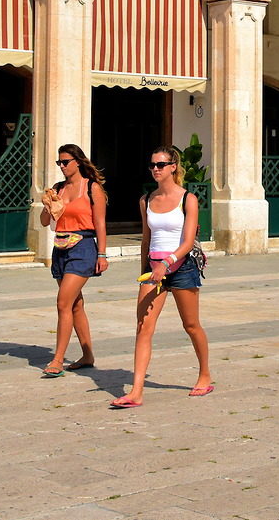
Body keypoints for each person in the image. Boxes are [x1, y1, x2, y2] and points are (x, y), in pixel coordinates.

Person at [110, 146, 213, 408]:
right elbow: (147, 239)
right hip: (153, 270)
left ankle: (204, 374)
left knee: (191, 325)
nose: (155, 169)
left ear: (173, 167)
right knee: (143, 328)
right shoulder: (146, 200)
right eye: (152, 164)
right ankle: (136, 391)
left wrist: (166, 264)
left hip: (182, 268)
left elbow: (188, 242)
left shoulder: (187, 199)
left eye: (160, 164)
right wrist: (144, 269)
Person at [38, 144, 108, 377]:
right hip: (60, 247)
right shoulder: (58, 188)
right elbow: (44, 222)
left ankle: (58, 360)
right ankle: (87, 355)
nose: (62, 166)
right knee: (75, 304)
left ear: (78, 161)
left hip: (84, 246)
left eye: (65, 162)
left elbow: (100, 223)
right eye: (59, 162)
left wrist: (102, 254)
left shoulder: (92, 188)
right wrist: (49, 205)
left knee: (63, 302)